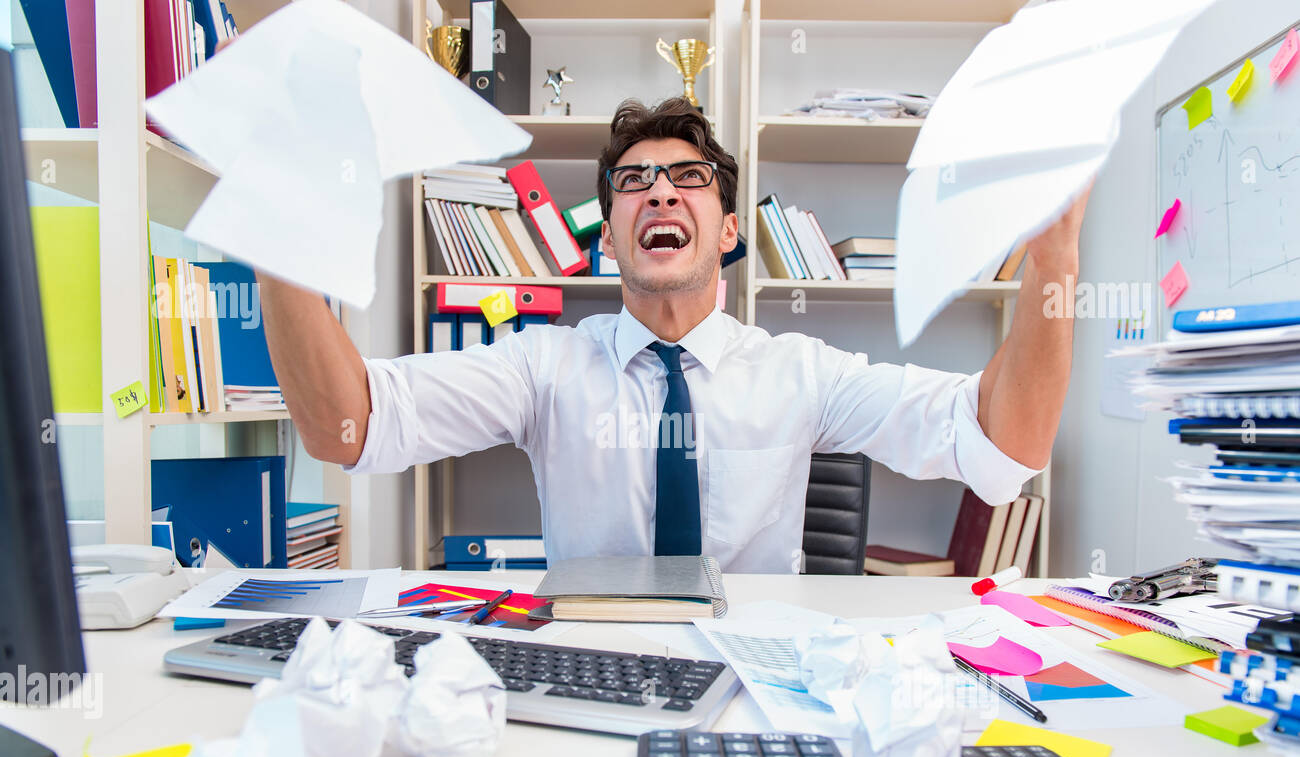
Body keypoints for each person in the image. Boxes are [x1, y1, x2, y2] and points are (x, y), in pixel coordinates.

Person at [258, 97, 1088, 573]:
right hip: (592, 673)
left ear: (728, 230)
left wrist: (1054, 251)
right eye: (633, 184)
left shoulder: (801, 372)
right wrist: (281, 242)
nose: (659, 194)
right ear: (609, 237)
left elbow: (1004, 446)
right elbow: (349, 425)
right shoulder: (543, 366)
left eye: (688, 180)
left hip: (760, 675)